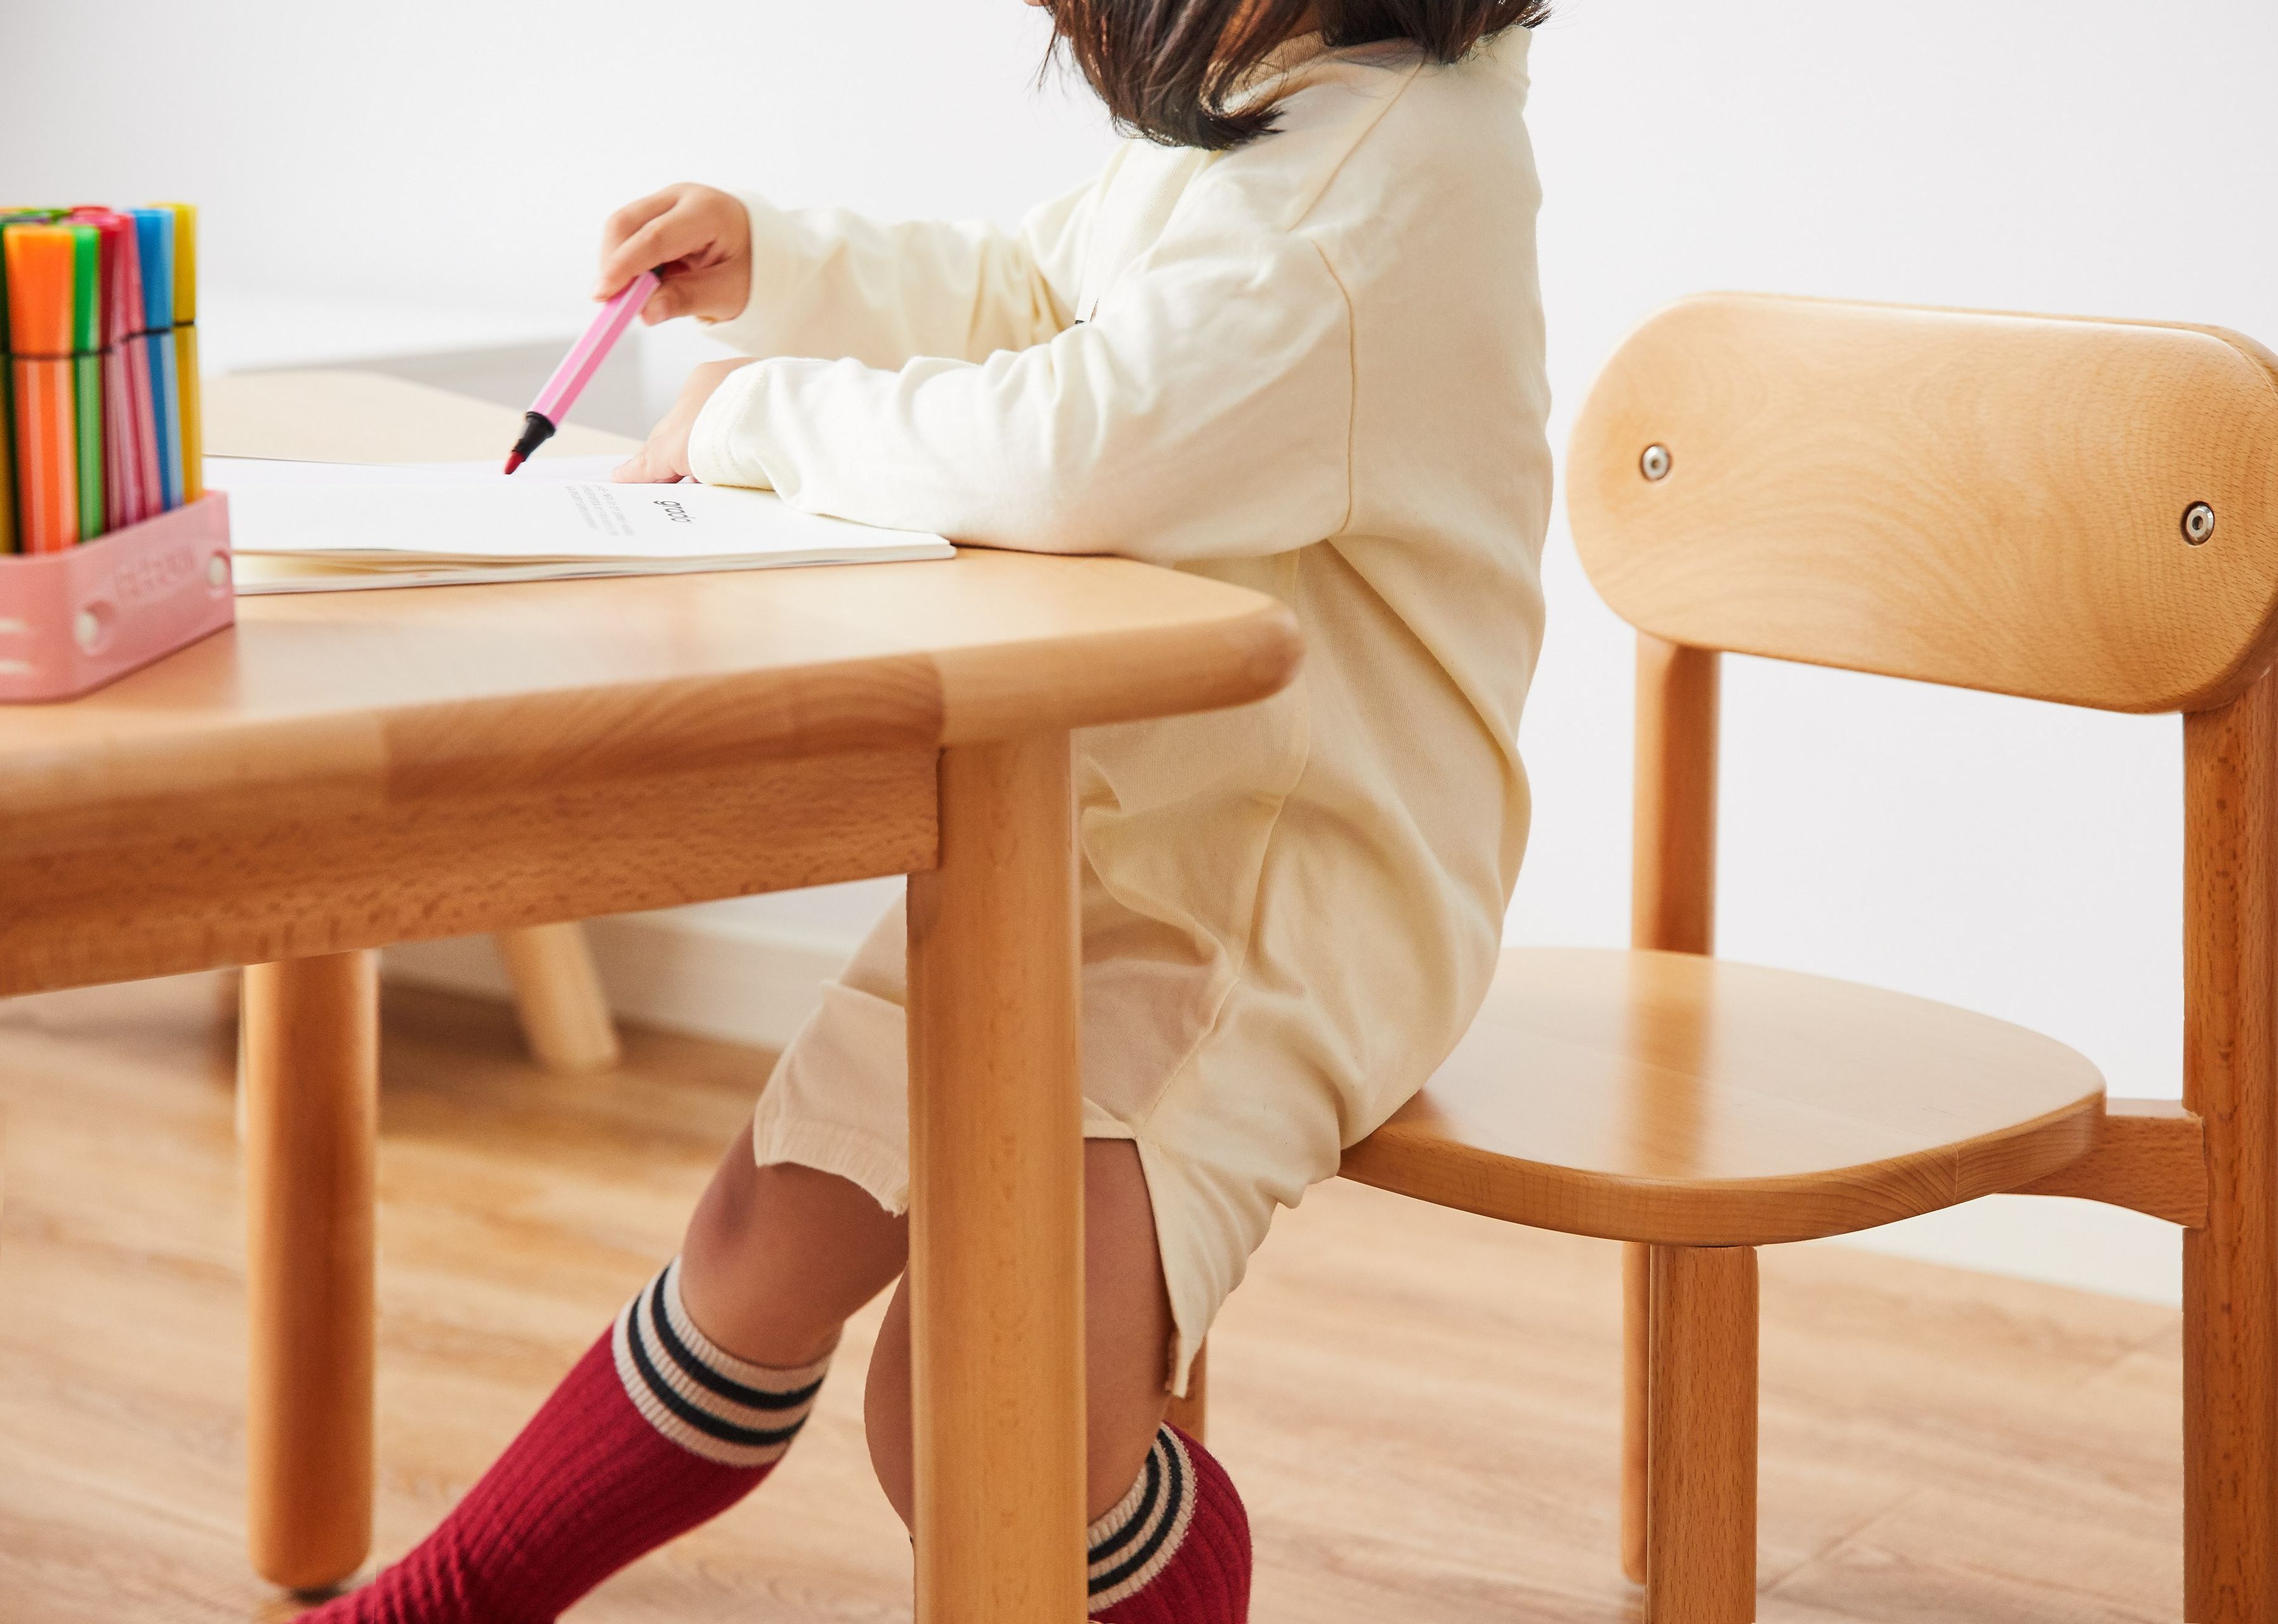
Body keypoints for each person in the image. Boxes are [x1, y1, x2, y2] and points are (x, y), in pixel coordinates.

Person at [308, 1, 1549, 1618]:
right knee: (759, 1239)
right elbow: (1048, 307)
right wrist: (789, 258)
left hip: (1278, 884)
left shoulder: (1382, 178)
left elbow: (1088, 447)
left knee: (979, 1409)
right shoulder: (1282, 106)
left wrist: (753, 417)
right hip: (1085, 822)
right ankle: (440, 1602)